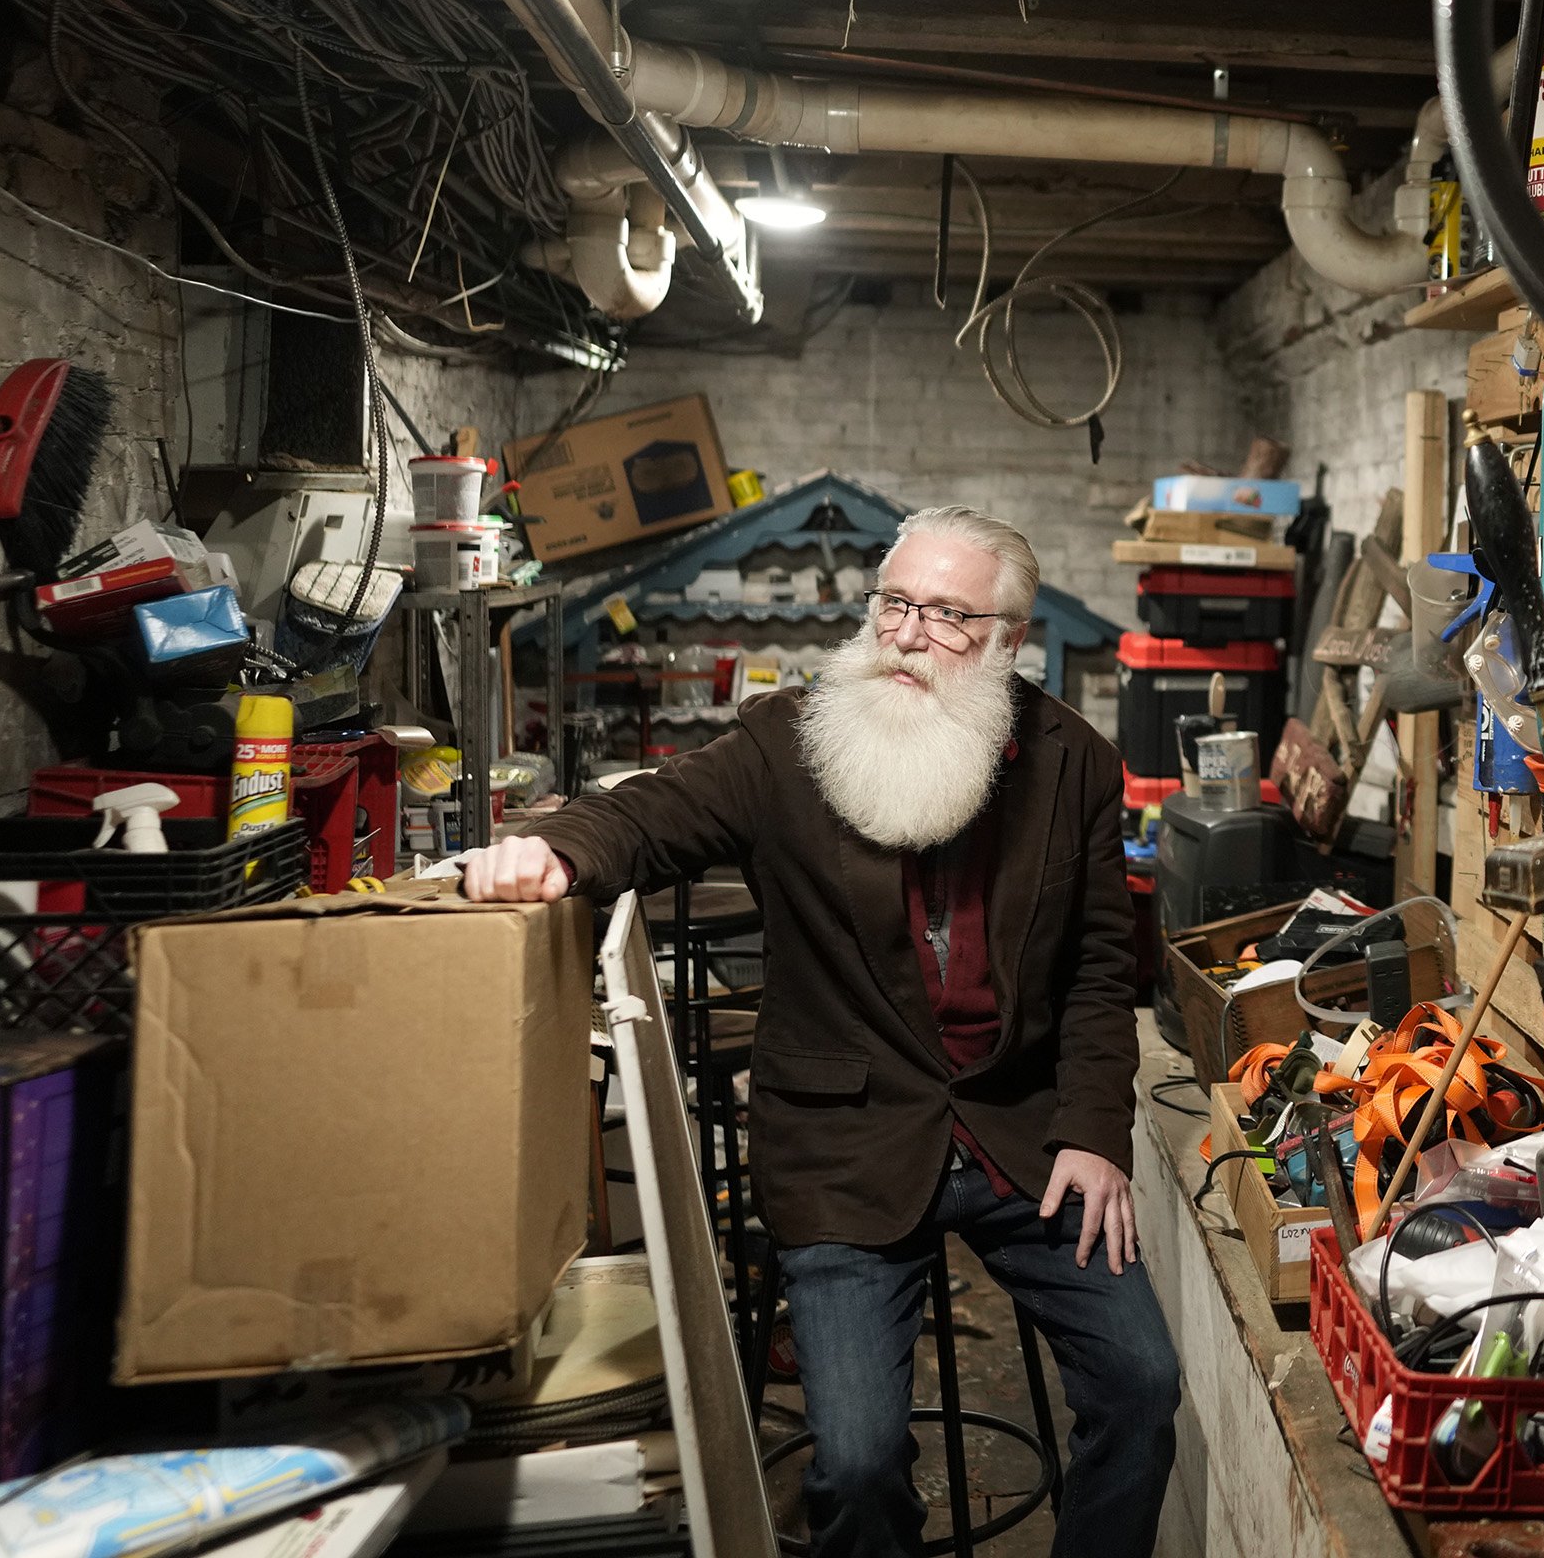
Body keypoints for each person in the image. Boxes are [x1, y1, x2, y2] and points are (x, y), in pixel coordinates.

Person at [463, 505, 1177, 1558]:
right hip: (846, 1146)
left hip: (1020, 1135)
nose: (906, 632)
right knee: (853, 1462)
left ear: (1008, 640)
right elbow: (652, 810)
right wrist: (555, 853)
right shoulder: (790, 740)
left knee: (1144, 1386)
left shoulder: (1076, 764)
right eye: (895, 603)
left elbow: (1101, 970)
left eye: (945, 614)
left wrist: (1094, 1133)